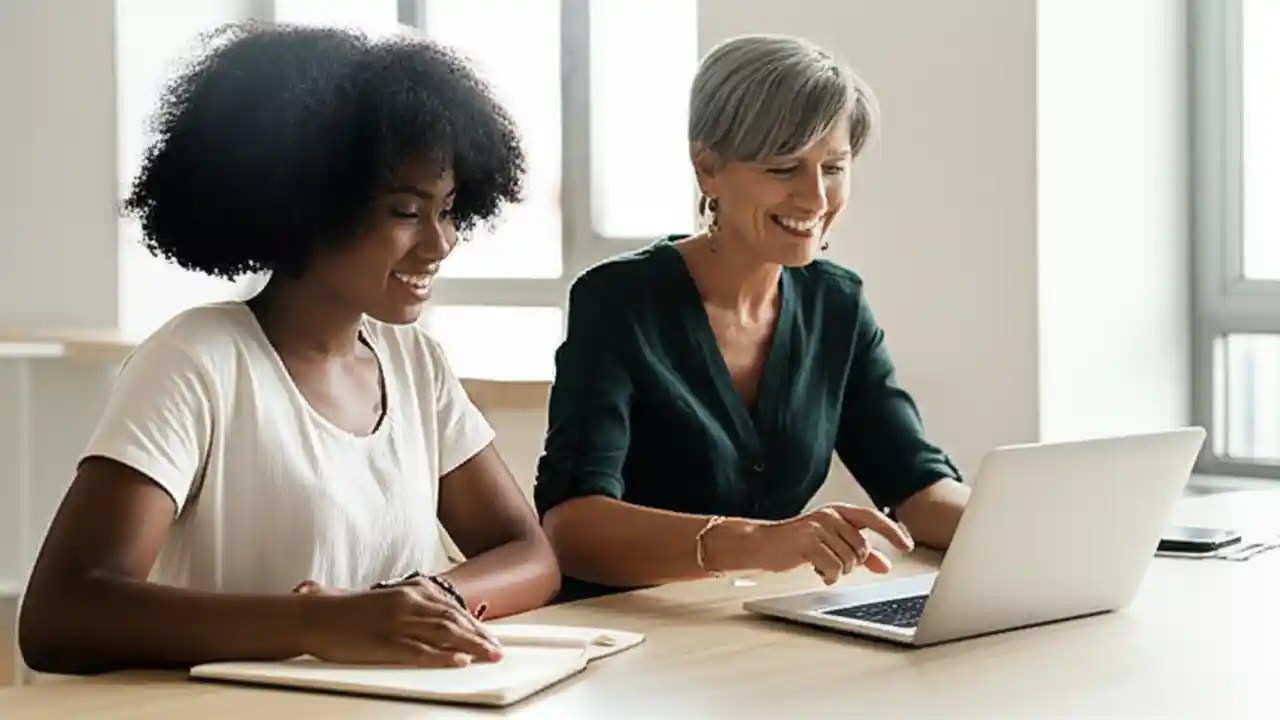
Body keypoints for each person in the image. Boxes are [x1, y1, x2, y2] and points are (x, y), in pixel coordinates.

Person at [19, 23, 559, 675]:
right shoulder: (197, 361)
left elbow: (529, 553)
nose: (440, 243)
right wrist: (317, 623)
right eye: (405, 212)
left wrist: (429, 601)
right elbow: (61, 614)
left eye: (447, 210)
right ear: (307, 205)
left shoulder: (415, 364)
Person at [535, 35, 971, 601]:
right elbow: (571, 529)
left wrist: (1027, 536)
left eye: (833, 167)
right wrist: (759, 542)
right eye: (784, 168)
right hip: (626, 631)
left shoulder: (836, 304)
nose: (815, 198)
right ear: (708, 169)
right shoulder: (617, 300)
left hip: (747, 627)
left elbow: (917, 488)